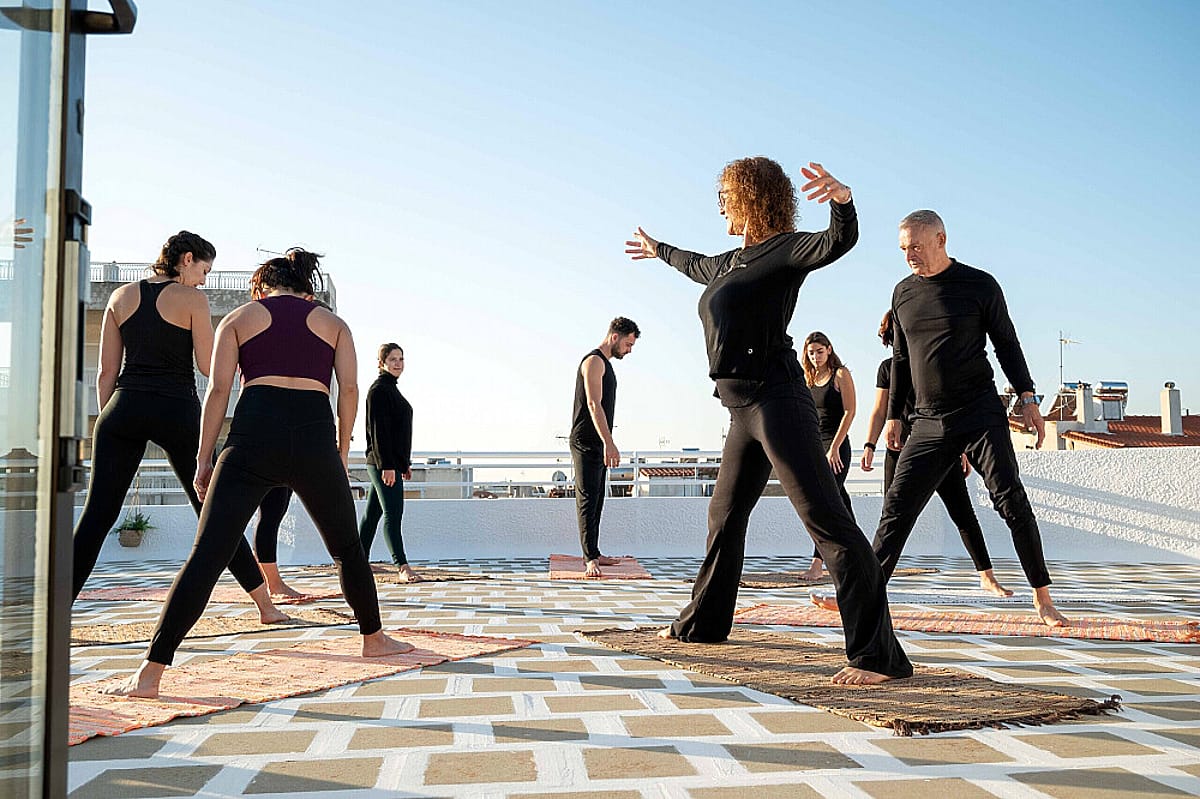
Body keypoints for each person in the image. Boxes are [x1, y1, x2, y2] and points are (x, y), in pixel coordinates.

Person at [625, 158, 912, 685]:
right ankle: (704, 624)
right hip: (741, 413)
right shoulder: (731, 262)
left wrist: (844, 205)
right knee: (725, 516)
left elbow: (834, 243)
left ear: (752, 200)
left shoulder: (784, 251)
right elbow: (694, 264)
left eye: (728, 198)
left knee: (828, 525)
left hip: (778, 403)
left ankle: (877, 657)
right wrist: (659, 249)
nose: (721, 208)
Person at [104, 248, 411, 698]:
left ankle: (149, 673)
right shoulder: (334, 325)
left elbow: (219, 391)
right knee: (347, 548)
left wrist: (204, 458)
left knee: (206, 555)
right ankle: (374, 639)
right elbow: (347, 391)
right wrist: (340, 452)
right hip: (313, 439)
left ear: (264, 286)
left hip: (252, 437)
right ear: (301, 285)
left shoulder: (239, 319)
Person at [818, 211, 1065, 627]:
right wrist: (895, 416)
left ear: (941, 239)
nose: (909, 255)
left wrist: (1028, 397)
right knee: (896, 509)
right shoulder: (902, 294)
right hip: (927, 421)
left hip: (980, 413)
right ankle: (860, 598)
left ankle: (1043, 598)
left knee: (1011, 501)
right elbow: (899, 359)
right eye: (903, 249)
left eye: (915, 245)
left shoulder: (980, 285)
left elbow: (1007, 343)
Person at [71, 231, 285, 625]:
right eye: (204, 270)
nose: (204, 280)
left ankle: (52, 613)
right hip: (175, 409)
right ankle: (265, 607)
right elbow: (207, 366)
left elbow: (105, 373)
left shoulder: (120, 297)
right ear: (187, 259)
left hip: (123, 409)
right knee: (214, 511)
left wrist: (113, 424)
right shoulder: (192, 299)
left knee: (96, 516)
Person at [860, 311, 1011, 597]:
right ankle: (873, 585)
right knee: (892, 517)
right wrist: (869, 444)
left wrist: (963, 448)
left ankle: (986, 576)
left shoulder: (928, 366)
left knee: (962, 512)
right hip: (898, 451)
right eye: (894, 337)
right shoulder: (886, 368)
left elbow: (949, 408)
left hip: (940, 447)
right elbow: (879, 410)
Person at [569, 317, 640, 577]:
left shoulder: (606, 364)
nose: (629, 350)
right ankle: (589, 558)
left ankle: (595, 552)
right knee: (587, 497)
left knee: (598, 497)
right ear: (615, 337)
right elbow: (593, 404)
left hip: (597, 442)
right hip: (586, 441)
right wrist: (609, 443)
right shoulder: (594, 361)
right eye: (628, 344)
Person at [797, 331, 858, 582]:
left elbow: (850, 412)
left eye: (820, 351)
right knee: (840, 501)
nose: (815, 357)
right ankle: (860, 553)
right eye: (811, 353)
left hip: (837, 446)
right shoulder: (809, 378)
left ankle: (817, 564)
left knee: (823, 503)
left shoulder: (840, 374)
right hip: (814, 447)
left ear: (829, 350)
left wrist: (834, 448)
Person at [359, 342, 421, 582]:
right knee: (393, 514)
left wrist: (404, 463)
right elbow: (379, 432)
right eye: (393, 359)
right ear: (381, 364)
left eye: (401, 359)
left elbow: (398, 433)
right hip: (381, 463)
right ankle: (402, 567)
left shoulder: (391, 389)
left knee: (372, 514)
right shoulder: (379, 391)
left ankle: (358, 561)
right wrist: (388, 465)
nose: (398, 363)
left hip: (391, 463)